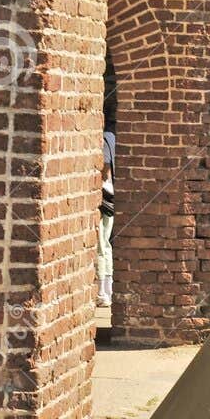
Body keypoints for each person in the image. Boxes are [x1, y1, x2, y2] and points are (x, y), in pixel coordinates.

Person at [98, 125, 116, 307]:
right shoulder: (112, 138)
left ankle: (101, 292)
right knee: (107, 243)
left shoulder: (103, 139)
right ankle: (108, 290)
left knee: (100, 245)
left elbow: (106, 171)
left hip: (103, 201)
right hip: (112, 202)